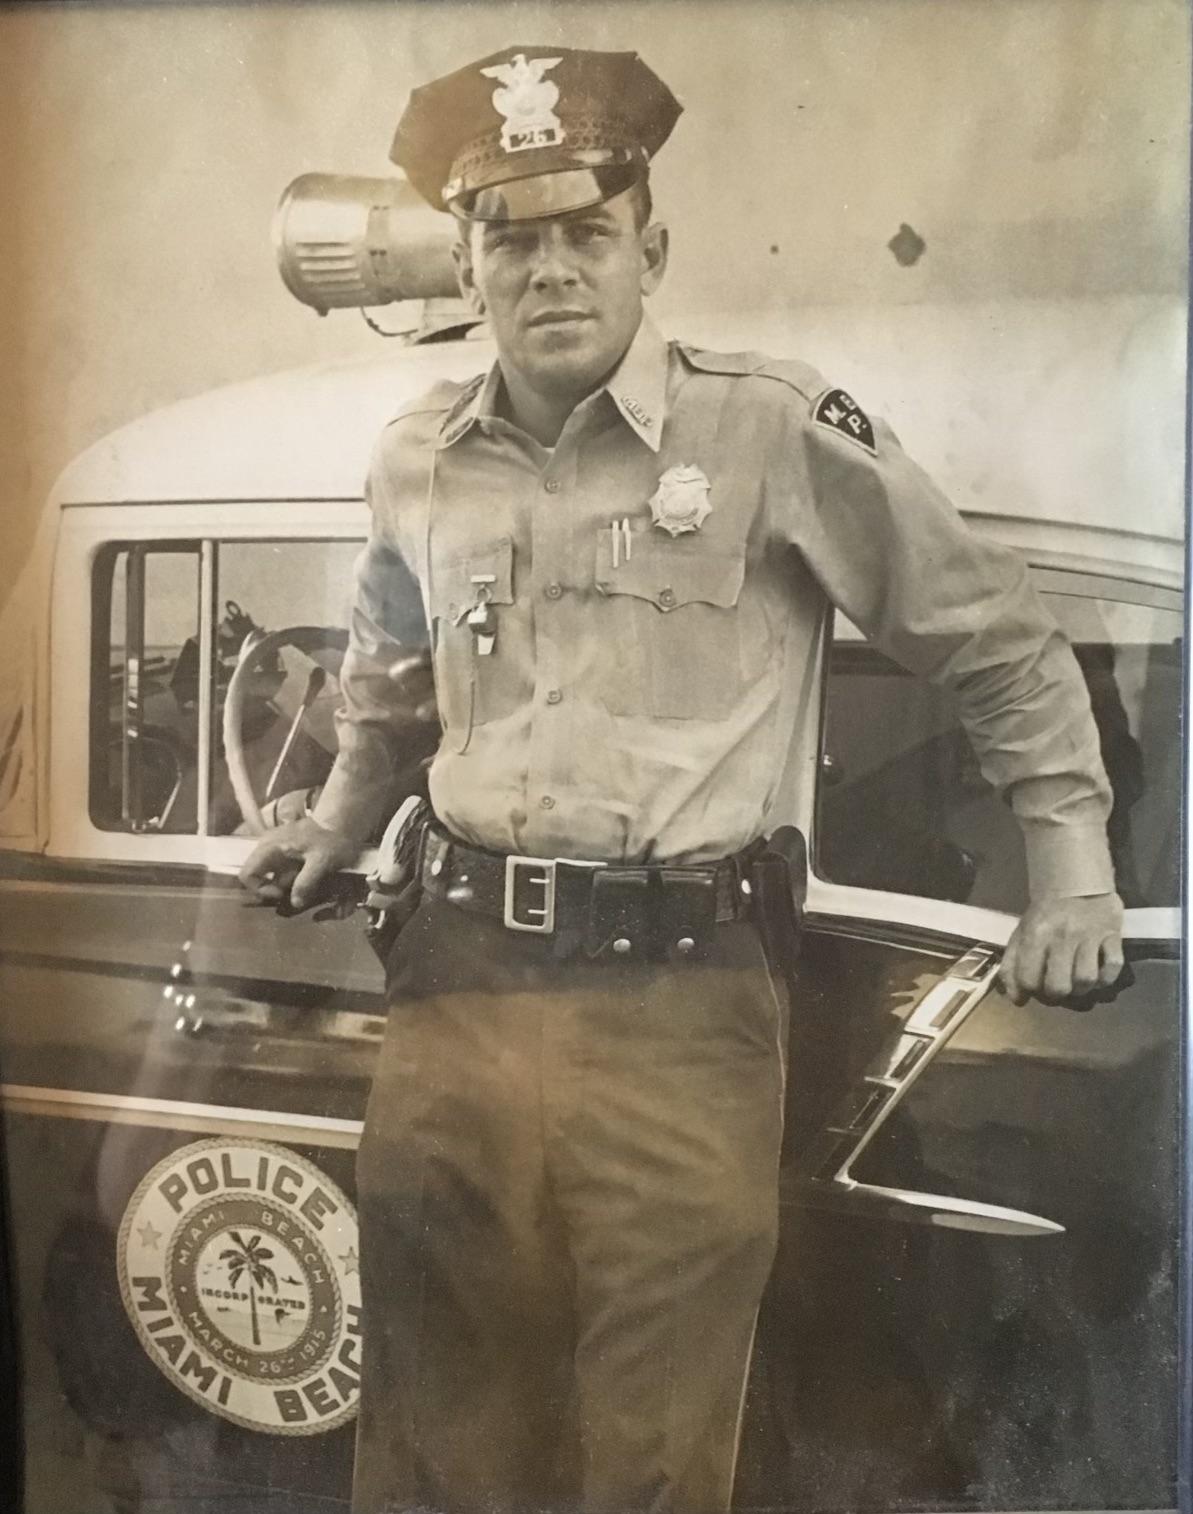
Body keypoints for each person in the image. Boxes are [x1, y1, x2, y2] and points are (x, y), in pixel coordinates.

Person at [240, 45, 1125, 1514]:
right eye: (510, 239)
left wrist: (1071, 865)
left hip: (680, 1002)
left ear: (650, 251)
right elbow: (387, 679)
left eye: (586, 233)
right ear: (467, 263)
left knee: (647, 1461)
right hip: (454, 987)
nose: (550, 271)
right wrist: (339, 822)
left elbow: (999, 639)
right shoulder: (415, 458)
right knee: (431, 1450)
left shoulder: (766, 430)